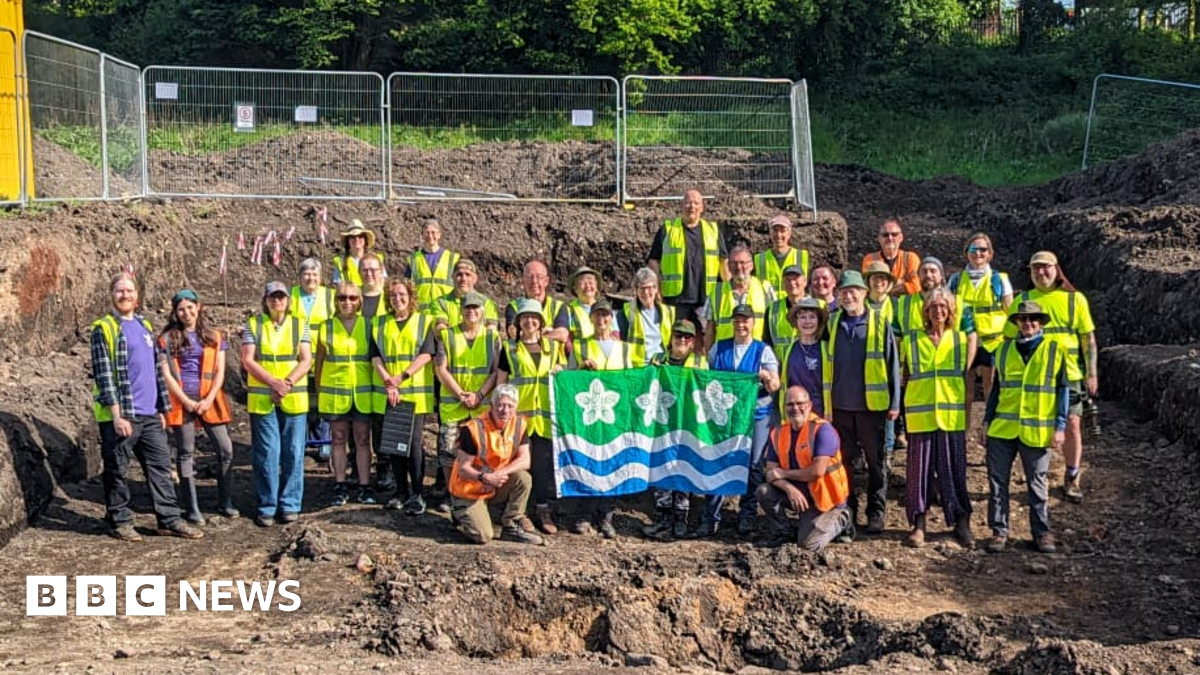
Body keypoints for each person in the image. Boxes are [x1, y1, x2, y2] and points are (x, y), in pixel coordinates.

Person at [92, 272, 203, 542]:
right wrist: (117, 415)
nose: (125, 295)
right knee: (118, 468)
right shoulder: (104, 328)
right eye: (119, 291)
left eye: (129, 290)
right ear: (112, 295)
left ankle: (169, 519)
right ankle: (119, 520)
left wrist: (164, 409)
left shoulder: (145, 326)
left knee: (160, 466)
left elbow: (157, 370)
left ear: (137, 296)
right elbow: (104, 375)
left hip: (150, 412)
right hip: (123, 414)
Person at [1007, 251, 1097, 504]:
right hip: (1033, 378)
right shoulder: (1022, 300)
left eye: (1045, 267)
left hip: (1069, 374)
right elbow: (1008, 340)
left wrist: (1091, 373)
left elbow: (1087, 339)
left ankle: (1072, 476)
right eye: (1035, 268)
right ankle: (1036, 475)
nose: (1040, 272)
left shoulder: (1074, 300)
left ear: (1056, 269)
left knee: (1072, 424)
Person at [984, 301, 1069, 554]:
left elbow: (1063, 389)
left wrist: (1060, 425)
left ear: (1041, 322)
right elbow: (997, 389)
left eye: (1033, 319)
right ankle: (999, 532)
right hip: (1003, 427)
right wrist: (986, 421)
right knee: (998, 482)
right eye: (1023, 319)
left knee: (1037, 483)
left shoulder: (1055, 350)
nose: (1028, 323)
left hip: (1038, 430)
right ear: (1016, 323)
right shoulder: (1003, 350)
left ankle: (1041, 533)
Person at [899, 289, 977, 549]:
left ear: (951, 311)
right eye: (933, 307)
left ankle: (961, 521)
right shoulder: (911, 340)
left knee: (954, 471)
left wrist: (967, 416)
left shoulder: (960, 340)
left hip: (950, 416)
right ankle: (918, 524)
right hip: (920, 416)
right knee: (918, 474)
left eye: (943, 307)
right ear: (926, 311)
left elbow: (967, 380)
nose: (938, 311)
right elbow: (905, 376)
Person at [828, 271, 901, 538]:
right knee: (844, 463)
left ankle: (876, 512)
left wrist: (894, 403)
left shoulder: (880, 322)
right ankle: (848, 510)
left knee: (876, 463)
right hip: (840, 408)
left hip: (873, 408)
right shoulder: (833, 322)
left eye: (854, 291)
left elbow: (893, 364)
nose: (849, 296)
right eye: (844, 292)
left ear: (863, 293)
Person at [698, 304, 781, 537]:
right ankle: (711, 516)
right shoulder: (719, 349)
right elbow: (707, 378)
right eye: (737, 321)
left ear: (753, 323)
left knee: (754, 465)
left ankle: (747, 515)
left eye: (745, 320)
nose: (741, 325)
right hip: (725, 416)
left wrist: (767, 378)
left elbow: (776, 385)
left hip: (757, 415)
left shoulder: (763, 351)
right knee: (718, 460)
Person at [158, 289, 236, 522]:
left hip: (210, 400)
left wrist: (209, 398)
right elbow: (166, 375)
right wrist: (187, 401)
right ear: (175, 312)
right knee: (186, 453)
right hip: (182, 402)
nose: (186, 312)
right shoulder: (166, 339)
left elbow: (220, 370)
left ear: (198, 307)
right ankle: (192, 508)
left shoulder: (214, 336)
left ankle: (226, 501)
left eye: (190, 307)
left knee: (226, 450)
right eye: (181, 309)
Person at [241, 281, 313, 527]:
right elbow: (248, 360)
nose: (277, 301)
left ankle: (290, 503)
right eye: (273, 297)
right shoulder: (253, 325)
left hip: (293, 397)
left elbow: (305, 360)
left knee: (293, 452)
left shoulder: (299, 325)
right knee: (267, 453)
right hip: (263, 398)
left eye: (281, 297)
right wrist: (273, 383)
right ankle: (267, 505)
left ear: (287, 301)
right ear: (266, 300)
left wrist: (287, 383)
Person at [497, 298, 566, 535]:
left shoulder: (553, 348)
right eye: (525, 318)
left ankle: (542, 508)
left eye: (534, 318)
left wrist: (562, 369)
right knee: (519, 465)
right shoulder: (509, 348)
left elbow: (563, 375)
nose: (529, 321)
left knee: (543, 466)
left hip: (545, 419)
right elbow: (501, 382)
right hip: (519, 418)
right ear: (518, 322)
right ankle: (519, 512)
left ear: (540, 322)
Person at [756, 385, 851, 552]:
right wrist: (789, 488)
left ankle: (843, 519)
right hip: (800, 495)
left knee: (809, 546)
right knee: (764, 492)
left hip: (826, 500)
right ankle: (784, 532)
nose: (795, 409)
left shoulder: (822, 430)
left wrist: (783, 474)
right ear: (784, 407)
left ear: (809, 405)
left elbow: (817, 471)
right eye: (790, 404)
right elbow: (771, 472)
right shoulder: (778, 433)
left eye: (800, 403)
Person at [371, 278, 437, 514]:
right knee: (395, 445)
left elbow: (427, 353)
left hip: (415, 394)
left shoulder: (422, 322)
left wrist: (401, 377)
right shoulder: (380, 324)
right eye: (393, 295)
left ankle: (418, 493)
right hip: (391, 394)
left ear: (410, 297)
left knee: (414, 444)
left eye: (402, 294)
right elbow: (375, 355)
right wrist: (388, 379)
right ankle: (401, 492)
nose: (397, 299)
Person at [449, 384, 545, 545]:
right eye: (500, 405)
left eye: (510, 406)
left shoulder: (519, 424)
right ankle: (460, 513)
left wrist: (499, 475)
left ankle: (511, 525)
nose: (505, 410)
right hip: (469, 489)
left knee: (523, 478)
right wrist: (485, 477)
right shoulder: (472, 429)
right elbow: (464, 469)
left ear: (515, 407)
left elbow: (525, 460)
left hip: (494, 483)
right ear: (492, 405)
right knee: (484, 536)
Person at [567, 299, 630, 538]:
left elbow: (630, 381)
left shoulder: (624, 348)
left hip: (614, 414)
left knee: (612, 464)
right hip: (589, 414)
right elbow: (569, 379)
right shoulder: (581, 346)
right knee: (590, 462)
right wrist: (582, 369)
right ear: (591, 319)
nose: (602, 320)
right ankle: (584, 514)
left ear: (611, 319)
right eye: (597, 316)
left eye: (606, 316)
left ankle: (605, 516)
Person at [434, 291, 501, 509]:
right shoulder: (449, 336)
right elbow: (440, 369)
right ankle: (451, 492)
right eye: (467, 308)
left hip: (481, 405)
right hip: (454, 405)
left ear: (483, 311)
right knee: (448, 450)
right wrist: (460, 394)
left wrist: (479, 395)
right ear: (461, 311)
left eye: (476, 308)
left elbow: (496, 371)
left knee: (481, 451)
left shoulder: (492, 337)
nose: (472, 312)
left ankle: (477, 492)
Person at [643, 319, 707, 540]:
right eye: (678, 336)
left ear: (693, 342)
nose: (682, 340)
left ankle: (681, 519)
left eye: (687, 337)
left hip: (688, 425)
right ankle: (661, 518)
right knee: (661, 469)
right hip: (661, 424)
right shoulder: (657, 360)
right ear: (670, 338)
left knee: (683, 471)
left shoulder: (700, 362)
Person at [314, 283, 376, 507]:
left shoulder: (369, 325)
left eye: (352, 298)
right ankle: (340, 484)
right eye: (342, 298)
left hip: (362, 393)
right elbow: (319, 362)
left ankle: (364, 484)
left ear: (359, 301)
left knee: (362, 440)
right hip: (336, 393)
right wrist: (320, 389)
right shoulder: (326, 327)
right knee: (338, 439)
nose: (347, 302)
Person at [947, 233, 1013, 413]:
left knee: (991, 391)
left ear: (990, 253)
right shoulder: (956, 280)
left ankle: (992, 436)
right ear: (966, 253)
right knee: (964, 393)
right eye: (973, 249)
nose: (978, 253)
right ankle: (963, 437)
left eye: (983, 249)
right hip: (964, 342)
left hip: (992, 344)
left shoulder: (1000, 280)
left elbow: (1011, 312)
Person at [647, 189, 730, 329]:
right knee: (677, 338)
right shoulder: (668, 229)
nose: (692, 206)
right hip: (675, 299)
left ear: (702, 207)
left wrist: (730, 291)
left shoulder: (713, 231)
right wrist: (657, 289)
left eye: (696, 203)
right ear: (681, 206)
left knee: (705, 340)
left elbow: (723, 263)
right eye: (688, 203)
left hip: (706, 298)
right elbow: (653, 260)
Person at [702, 245, 775, 347]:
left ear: (751, 265)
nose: (739, 267)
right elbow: (709, 330)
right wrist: (709, 357)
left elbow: (774, 326)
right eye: (734, 263)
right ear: (728, 267)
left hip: (756, 354)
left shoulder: (765, 288)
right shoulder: (716, 291)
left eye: (742, 263)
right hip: (725, 355)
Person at [780, 298, 832, 419]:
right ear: (796, 321)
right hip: (796, 412)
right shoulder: (788, 350)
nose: (807, 322)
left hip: (820, 411)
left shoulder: (827, 348)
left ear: (819, 321)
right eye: (803, 317)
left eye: (812, 317)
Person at [619, 267, 675, 366]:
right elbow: (619, 342)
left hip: (662, 365)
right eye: (642, 288)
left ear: (656, 288)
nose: (646, 292)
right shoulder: (627, 312)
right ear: (636, 290)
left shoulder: (669, 312)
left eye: (649, 288)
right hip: (637, 367)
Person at [505, 259, 566, 342]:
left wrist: (529, 335)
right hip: (523, 354)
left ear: (546, 281)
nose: (534, 281)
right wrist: (546, 333)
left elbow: (562, 335)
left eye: (539, 277)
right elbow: (513, 333)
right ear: (523, 281)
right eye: (530, 277)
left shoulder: (558, 307)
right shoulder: (514, 306)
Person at [432, 259, 500, 330]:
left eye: (468, 275)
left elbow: (491, 333)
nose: (463, 279)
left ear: (475, 278)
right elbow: (440, 331)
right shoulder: (440, 303)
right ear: (452, 277)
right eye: (459, 274)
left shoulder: (486, 304)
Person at [408, 218, 460, 311]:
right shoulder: (413, 260)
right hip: (421, 315)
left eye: (433, 232)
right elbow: (408, 288)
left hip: (445, 313)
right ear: (422, 235)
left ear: (439, 235)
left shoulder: (452, 259)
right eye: (427, 232)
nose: (430, 236)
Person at [861, 218, 920, 296]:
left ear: (901, 237)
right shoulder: (869, 259)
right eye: (885, 235)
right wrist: (902, 282)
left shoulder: (911, 258)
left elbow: (916, 286)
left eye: (894, 234)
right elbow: (867, 287)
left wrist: (883, 288)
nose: (890, 238)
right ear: (879, 238)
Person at [765, 264, 811, 361]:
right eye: (788, 280)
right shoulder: (772, 309)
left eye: (796, 279)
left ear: (805, 282)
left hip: (810, 365)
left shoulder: (818, 306)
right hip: (782, 367)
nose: (792, 283)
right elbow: (767, 342)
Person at [755, 214, 809, 293]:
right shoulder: (759, 259)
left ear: (789, 233)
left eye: (783, 230)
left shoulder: (801, 256)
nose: (778, 235)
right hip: (769, 305)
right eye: (775, 230)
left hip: (794, 304)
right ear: (770, 233)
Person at [554, 266, 605, 342]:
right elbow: (567, 339)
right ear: (575, 288)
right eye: (582, 282)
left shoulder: (606, 308)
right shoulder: (568, 310)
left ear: (596, 286)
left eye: (590, 282)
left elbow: (615, 336)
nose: (587, 286)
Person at [332, 219, 386, 286]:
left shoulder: (377, 259)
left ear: (365, 239)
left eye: (360, 236)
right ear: (348, 241)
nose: (357, 239)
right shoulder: (340, 261)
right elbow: (338, 286)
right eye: (353, 237)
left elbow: (383, 283)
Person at [290, 258, 334, 331]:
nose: (311, 278)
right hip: (296, 340)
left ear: (320, 277)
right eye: (307, 274)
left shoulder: (332, 295)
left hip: (323, 341)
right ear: (300, 276)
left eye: (315, 274)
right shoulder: (289, 294)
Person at [864, 261, 896, 327]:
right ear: (868, 281)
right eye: (874, 277)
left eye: (882, 277)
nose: (878, 281)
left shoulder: (896, 304)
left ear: (889, 282)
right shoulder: (860, 304)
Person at [358, 255, 387, 320]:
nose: (369, 274)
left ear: (381, 271)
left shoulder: (391, 296)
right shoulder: (350, 297)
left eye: (373, 270)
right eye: (364, 270)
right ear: (359, 272)